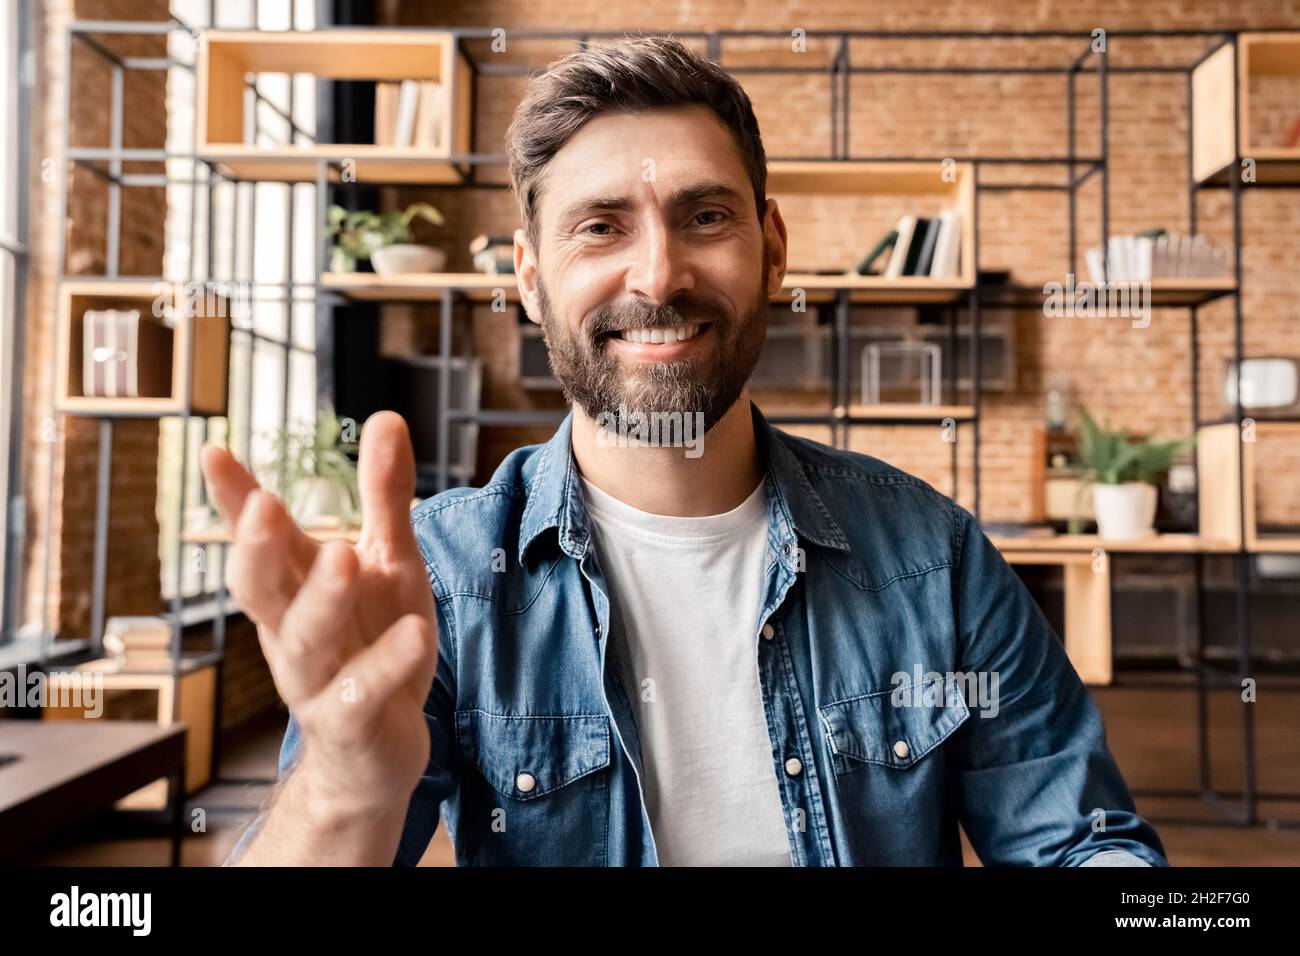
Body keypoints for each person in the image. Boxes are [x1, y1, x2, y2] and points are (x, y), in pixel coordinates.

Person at [206, 34, 1166, 867]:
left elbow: (1079, 840)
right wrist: (343, 783)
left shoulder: (933, 558)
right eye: (600, 227)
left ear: (773, 248)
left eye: (705, 217)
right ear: (531, 281)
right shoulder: (446, 583)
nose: (658, 275)